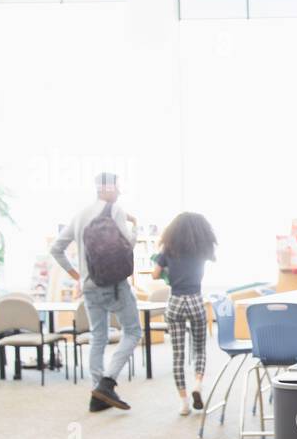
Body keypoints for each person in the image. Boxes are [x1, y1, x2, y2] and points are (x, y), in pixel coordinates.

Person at [50, 173, 142, 411]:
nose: (120, 191)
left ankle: (97, 396)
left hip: (89, 286)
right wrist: (135, 227)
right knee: (132, 332)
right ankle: (106, 384)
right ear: (107, 188)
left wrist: (76, 275)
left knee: (98, 336)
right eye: (117, 187)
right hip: (115, 285)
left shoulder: (79, 215)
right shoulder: (115, 210)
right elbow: (128, 245)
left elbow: (56, 248)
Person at [152, 212, 217, 416]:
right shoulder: (202, 248)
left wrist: (167, 273)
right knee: (200, 348)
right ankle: (197, 384)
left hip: (176, 302)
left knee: (178, 354)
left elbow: (155, 274)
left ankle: (184, 402)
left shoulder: (168, 249)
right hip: (196, 300)